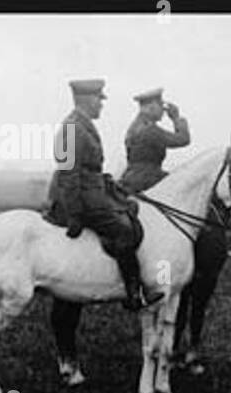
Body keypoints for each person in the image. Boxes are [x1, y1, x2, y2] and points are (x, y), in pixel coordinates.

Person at [48, 78, 163, 311]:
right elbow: (68, 175)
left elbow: (88, 169)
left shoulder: (82, 125)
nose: (101, 104)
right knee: (125, 230)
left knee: (130, 211)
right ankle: (133, 293)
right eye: (99, 99)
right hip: (82, 199)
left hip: (93, 192)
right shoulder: (72, 129)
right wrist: (75, 214)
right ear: (87, 100)